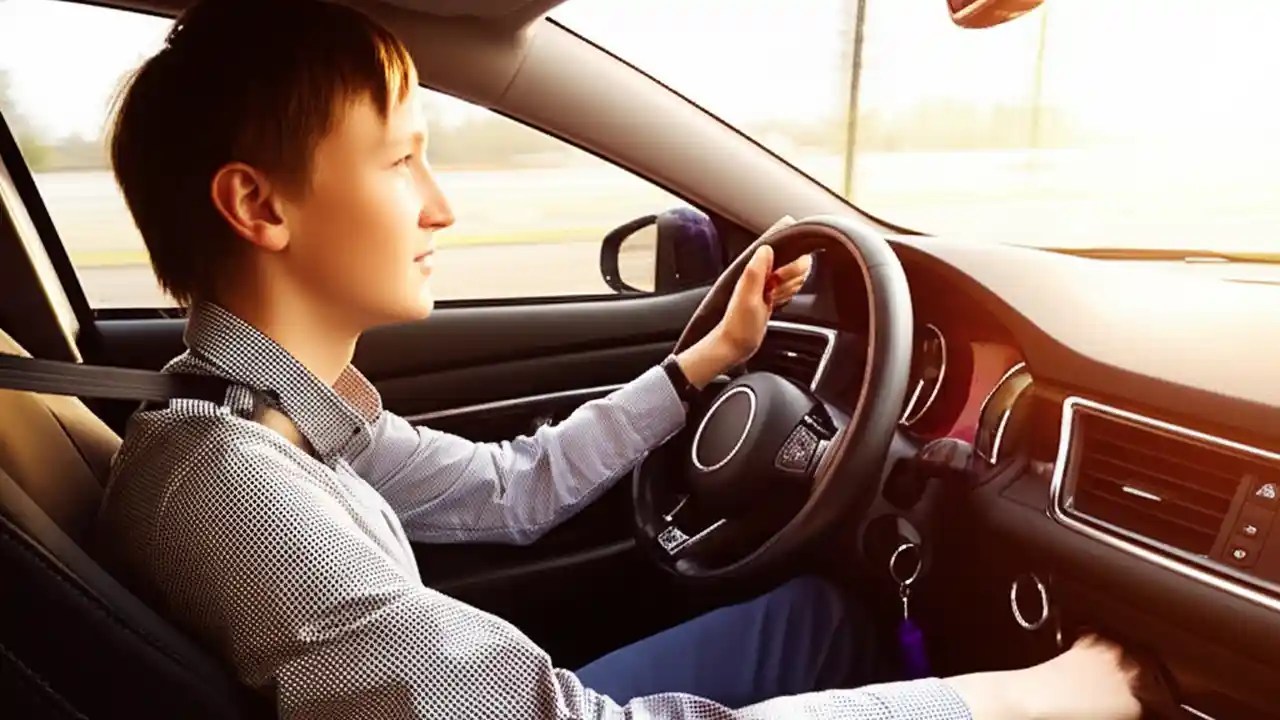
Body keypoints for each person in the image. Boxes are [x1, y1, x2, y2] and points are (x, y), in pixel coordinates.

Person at [94, 0, 1143, 717]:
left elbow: (514, 490)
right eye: (401, 158)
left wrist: (702, 368)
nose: (442, 206)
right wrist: (1020, 698)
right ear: (258, 205)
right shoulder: (229, 491)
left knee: (814, 618)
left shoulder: (271, 421)